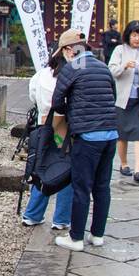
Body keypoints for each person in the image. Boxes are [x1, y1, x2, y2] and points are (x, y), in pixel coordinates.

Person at [50, 29, 118, 252]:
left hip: (87, 137)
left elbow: (57, 101)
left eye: (64, 51)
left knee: (81, 187)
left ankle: (76, 237)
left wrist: (71, 110)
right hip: (110, 135)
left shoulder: (73, 68)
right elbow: (112, 96)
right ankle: (97, 234)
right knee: (102, 187)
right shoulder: (102, 66)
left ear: (70, 49)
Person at [21, 61, 71, 230]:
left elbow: (32, 94)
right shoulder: (74, 73)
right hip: (65, 127)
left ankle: (33, 214)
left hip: (44, 126)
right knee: (67, 170)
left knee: (42, 167)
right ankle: (62, 218)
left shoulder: (42, 74)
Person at [108, 20, 139, 185]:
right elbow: (112, 71)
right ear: (128, 35)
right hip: (123, 99)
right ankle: (124, 164)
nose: (137, 38)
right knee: (122, 135)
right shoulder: (120, 50)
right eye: (134, 35)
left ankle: (138, 169)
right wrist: (124, 66)